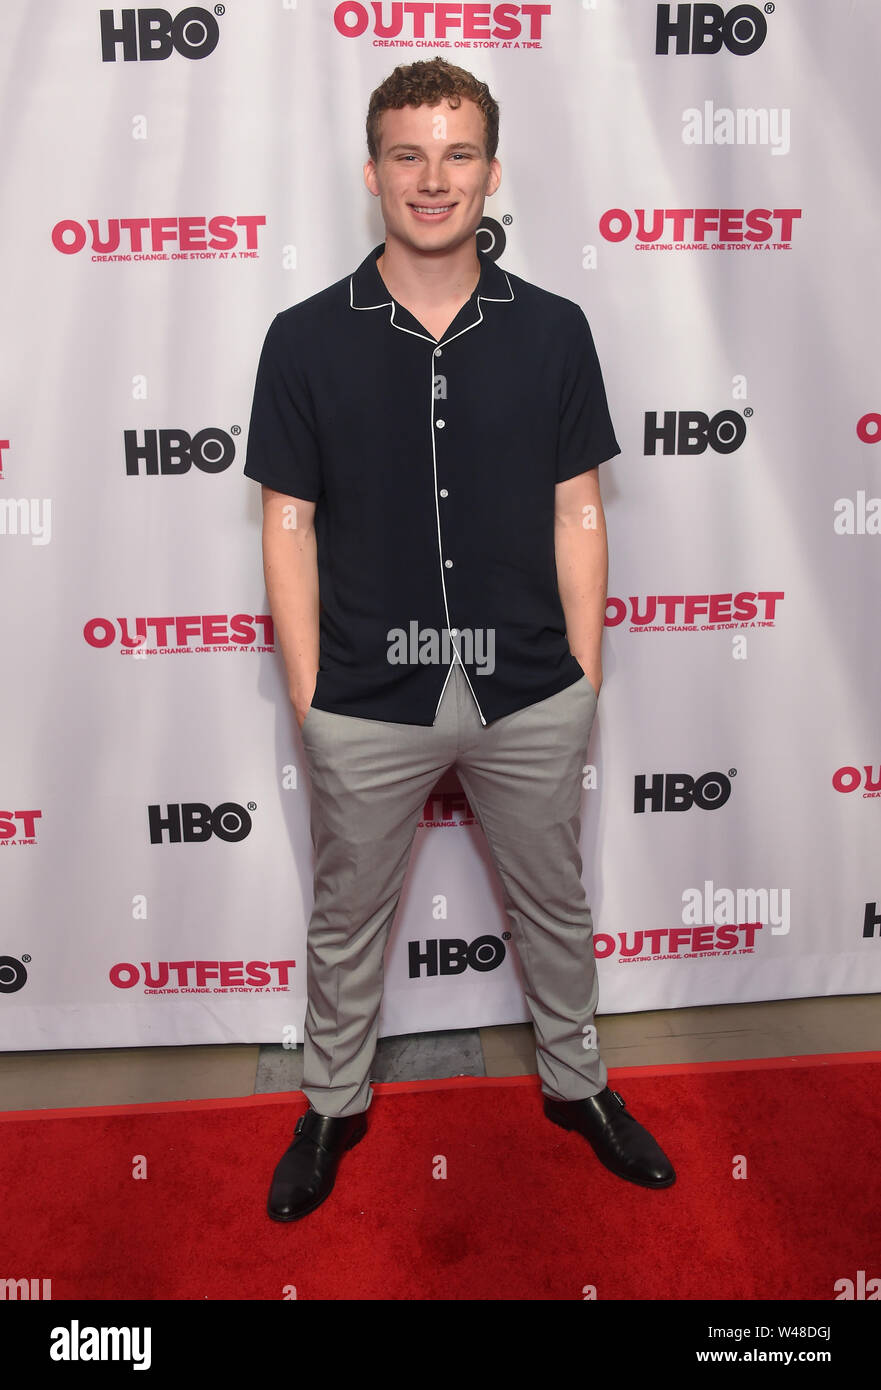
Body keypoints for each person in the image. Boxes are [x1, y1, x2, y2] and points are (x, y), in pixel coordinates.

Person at [244, 57, 675, 1223]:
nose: (432, 179)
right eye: (408, 155)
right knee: (345, 918)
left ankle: (576, 1085)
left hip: (531, 686)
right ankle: (331, 1104)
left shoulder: (552, 330)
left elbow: (576, 508)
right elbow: (286, 526)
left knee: (554, 903)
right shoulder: (300, 338)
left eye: (456, 154)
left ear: (490, 167)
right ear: (372, 169)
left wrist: (581, 675)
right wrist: (307, 689)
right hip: (365, 693)